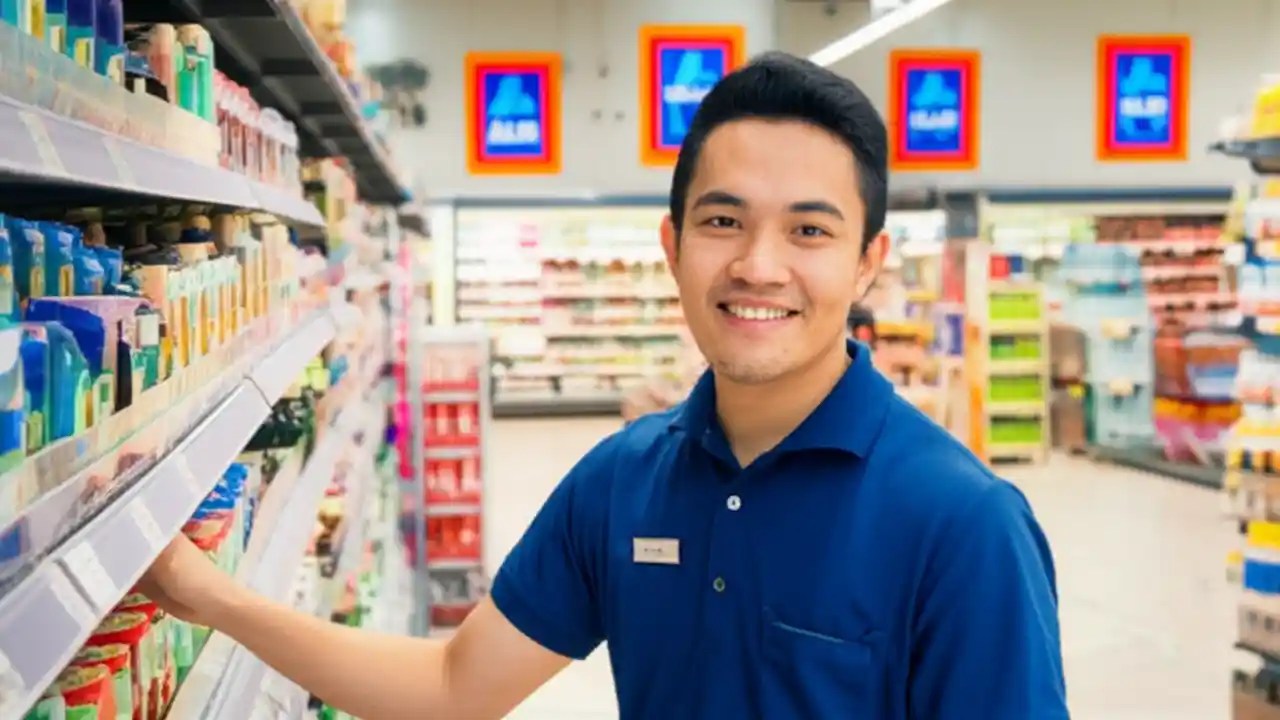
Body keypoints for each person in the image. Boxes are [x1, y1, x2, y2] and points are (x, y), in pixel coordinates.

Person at [140, 51, 1068, 719]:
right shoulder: (623, 482)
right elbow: (456, 689)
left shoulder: (963, 523)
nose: (758, 264)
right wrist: (215, 598)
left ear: (869, 264)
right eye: (723, 220)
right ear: (672, 248)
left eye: (809, 233)